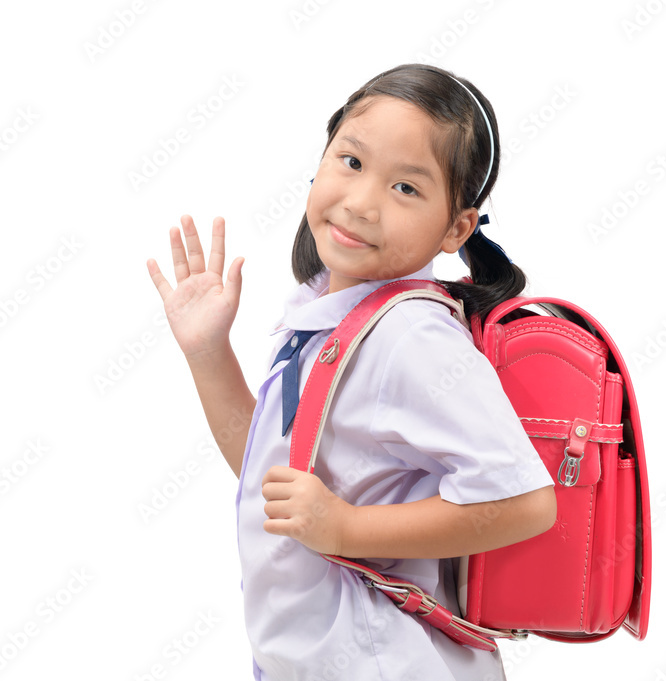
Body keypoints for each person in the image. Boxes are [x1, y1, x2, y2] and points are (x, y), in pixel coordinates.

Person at [146, 63, 558, 681]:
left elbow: (526, 500)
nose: (362, 203)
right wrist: (208, 352)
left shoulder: (409, 336)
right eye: (353, 163)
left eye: (407, 189)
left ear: (456, 228)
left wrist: (346, 525)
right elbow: (276, 479)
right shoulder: (325, 318)